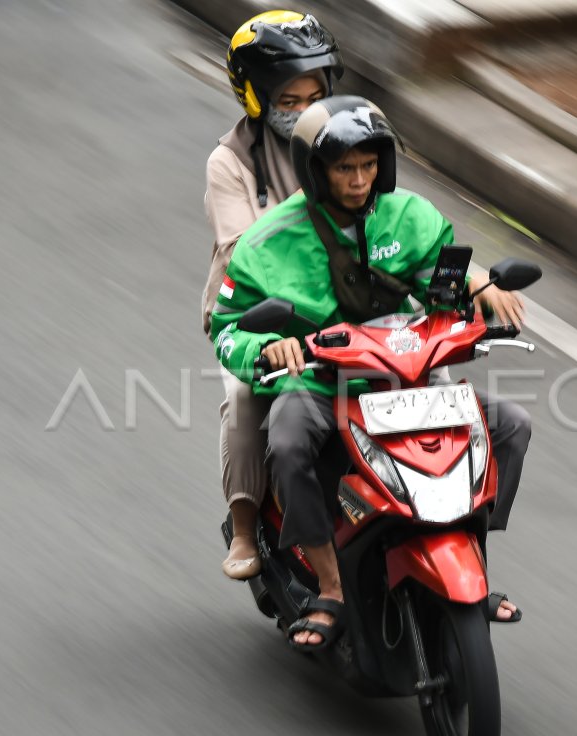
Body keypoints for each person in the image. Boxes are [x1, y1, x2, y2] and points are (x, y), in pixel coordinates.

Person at [211, 96, 530, 650]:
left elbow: (442, 283)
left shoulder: (411, 215)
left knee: (509, 426)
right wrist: (269, 349)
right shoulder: (266, 244)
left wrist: (477, 292)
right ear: (316, 171)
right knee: (287, 443)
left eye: (368, 165)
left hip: (401, 379)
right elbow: (227, 329)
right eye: (344, 168)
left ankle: (472, 561)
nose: (359, 181)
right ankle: (330, 589)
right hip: (318, 385)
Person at [203, 10, 343, 582]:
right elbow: (242, 250)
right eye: (290, 98)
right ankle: (242, 527)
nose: (306, 107)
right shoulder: (229, 162)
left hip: (341, 304)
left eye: (316, 94)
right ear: (257, 97)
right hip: (258, 311)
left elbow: (386, 219)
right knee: (244, 399)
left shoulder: (343, 143)